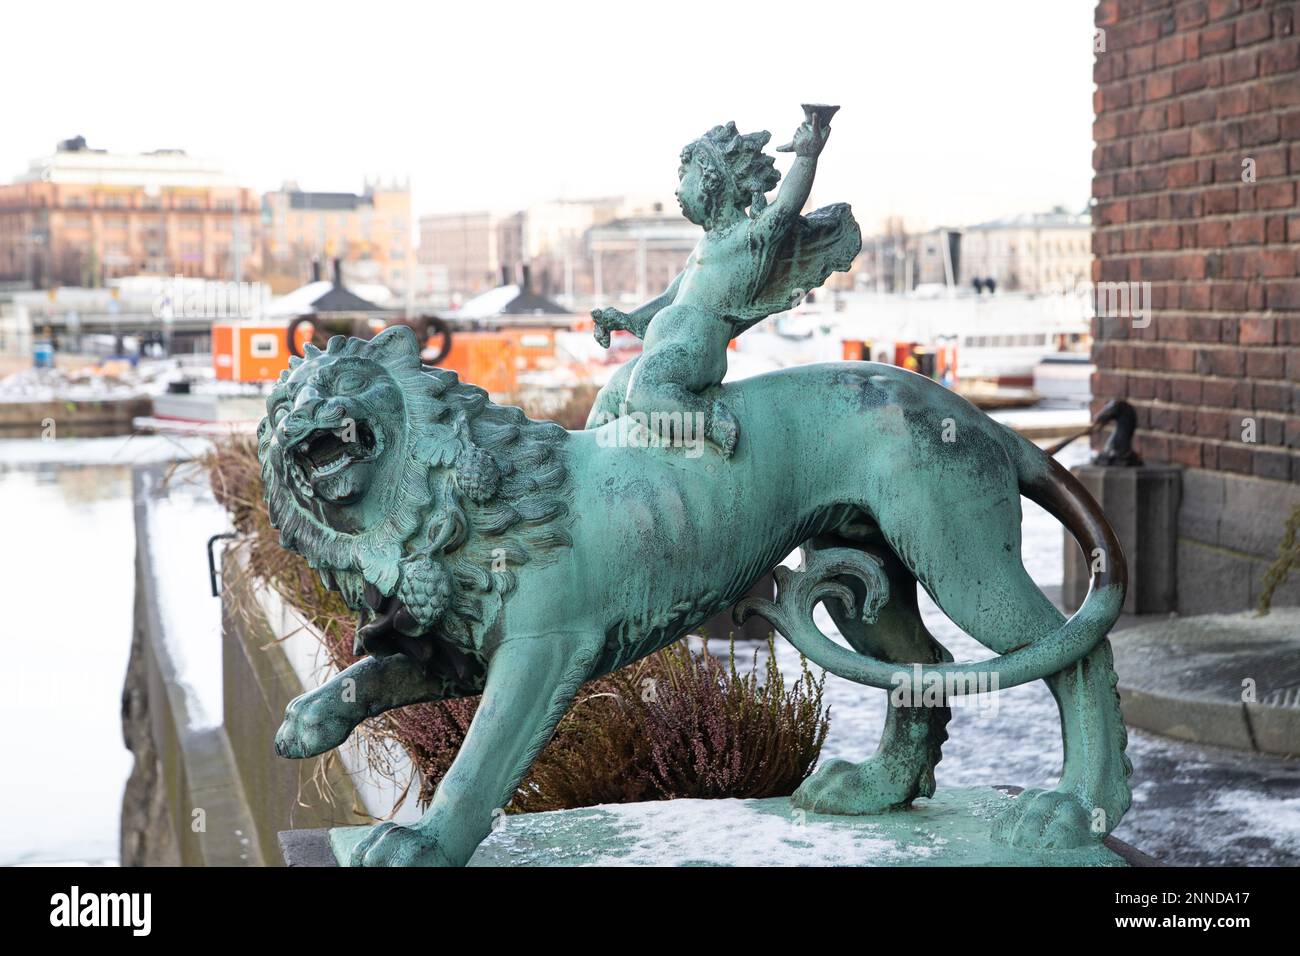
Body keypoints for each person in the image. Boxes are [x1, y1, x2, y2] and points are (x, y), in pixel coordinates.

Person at [586, 108, 860, 457]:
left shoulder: (748, 240)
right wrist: (624, 320)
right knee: (609, 398)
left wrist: (807, 156)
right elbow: (672, 298)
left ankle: (711, 422)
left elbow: (785, 208)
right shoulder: (708, 244)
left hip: (694, 352)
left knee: (643, 395)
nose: (677, 187)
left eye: (684, 175)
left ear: (711, 181)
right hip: (665, 350)